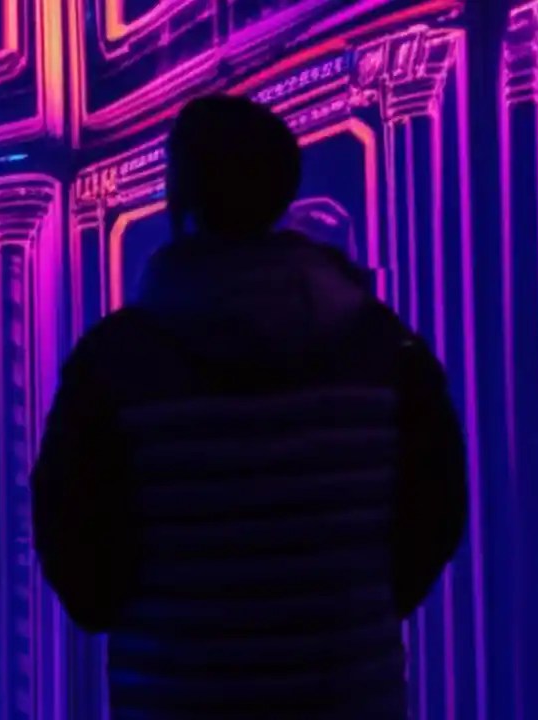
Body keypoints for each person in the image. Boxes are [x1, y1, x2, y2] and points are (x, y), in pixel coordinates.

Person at [30, 95, 467, 718]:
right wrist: (348, 611)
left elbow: (78, 568)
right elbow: (437, 513)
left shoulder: (113, 363)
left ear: (178, 198)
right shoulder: (381, 346)